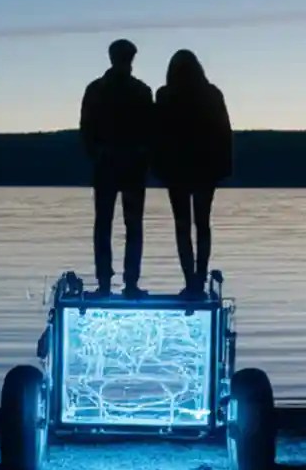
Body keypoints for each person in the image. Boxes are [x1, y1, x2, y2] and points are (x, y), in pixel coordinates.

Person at [153, 49, 232, 298]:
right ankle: (199, 276)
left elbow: (158, 135)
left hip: (176, 170)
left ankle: (191, 281)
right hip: (205, 168)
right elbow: (224, 133)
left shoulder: (165, 95)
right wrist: (224, 165)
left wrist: (157, 167)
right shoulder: (211, 94)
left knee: (183, 226)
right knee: (202, 225)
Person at [79, 39, 154, 298]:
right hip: (119, 166)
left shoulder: (99, 89)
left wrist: (98, 153)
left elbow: (87, 129)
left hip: (117, 166)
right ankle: (121, 283)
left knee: (111, 226)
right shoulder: (139, 91)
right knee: (123, 226)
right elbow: (87, 130)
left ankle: (112, 283)